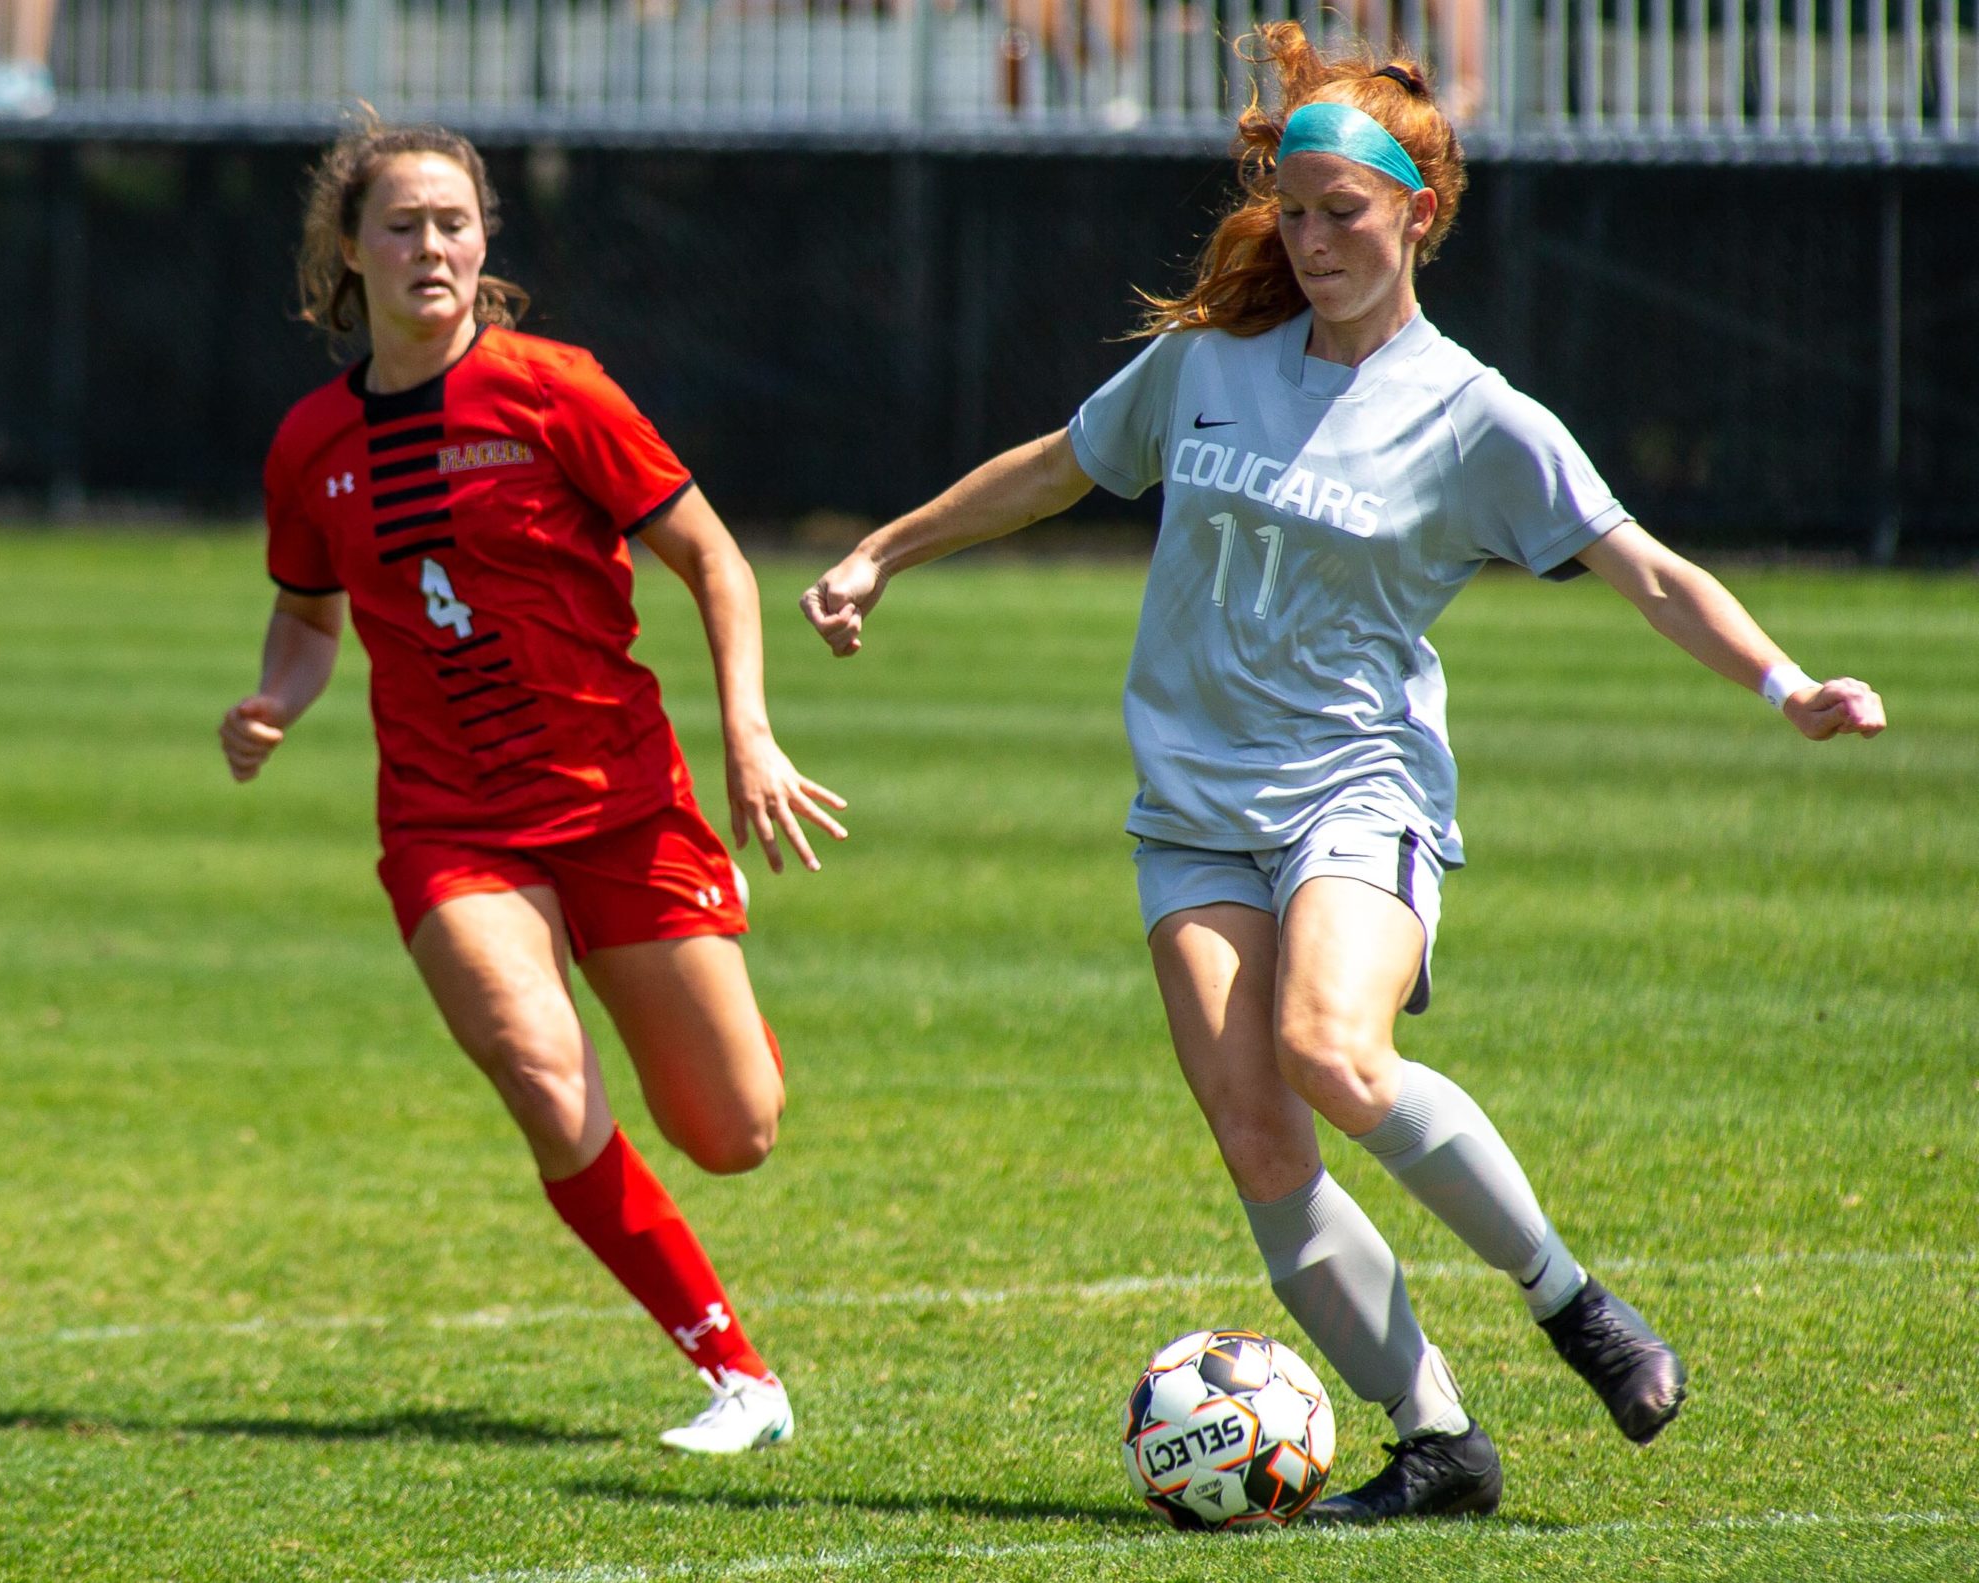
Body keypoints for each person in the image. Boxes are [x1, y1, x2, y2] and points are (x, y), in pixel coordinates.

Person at [803, 23, 1884, 1521]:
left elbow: (1644, 570)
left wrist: (1785, 683)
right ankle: (1438, 1443)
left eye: (1343, 213)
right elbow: (1057, 464)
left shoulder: (1476, 415)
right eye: (1293, 211)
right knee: (1262, 1142)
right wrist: (882, 552)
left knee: (1331, 1048)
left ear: (1417, 214)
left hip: (1353, 789)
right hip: (1191, 811)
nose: (1310, 241)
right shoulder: (1204, 366)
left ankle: (1574, 1305)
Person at [220, 118, 847, 1455]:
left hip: (622, 801)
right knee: (540, 1071)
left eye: (453, 223)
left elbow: (716, 561)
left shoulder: (555, 391)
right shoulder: (313, 444)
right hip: (449, 825)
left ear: (483, 239)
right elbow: (308, 616)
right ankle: (738, 1377)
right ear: (351, 249)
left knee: (733, 1131)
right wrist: (276, 699)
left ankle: (701, 994)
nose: (430, 246)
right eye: (401, 225)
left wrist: (748, 734)